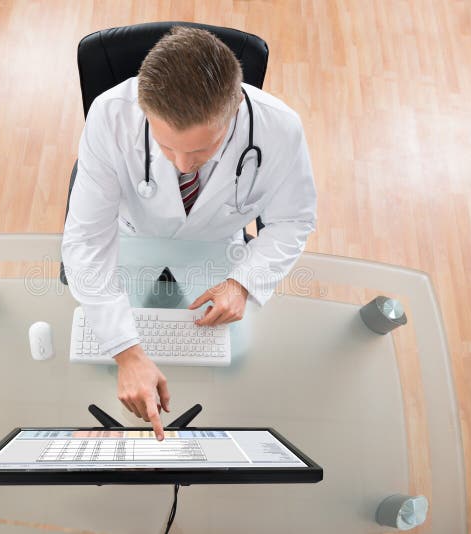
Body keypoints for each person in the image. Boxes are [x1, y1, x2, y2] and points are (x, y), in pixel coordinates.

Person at [62, 26, 317, 441]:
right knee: (101, 369)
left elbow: (293, 220)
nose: (182, 165)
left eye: (201, 150)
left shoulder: (280, 129)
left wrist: (243, 283)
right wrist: (126, 353)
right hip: (131, 241)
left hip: (216, 251)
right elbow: (88, 242)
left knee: (229, 368)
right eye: (165, 147)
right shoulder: (110, 115)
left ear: (235, 108)